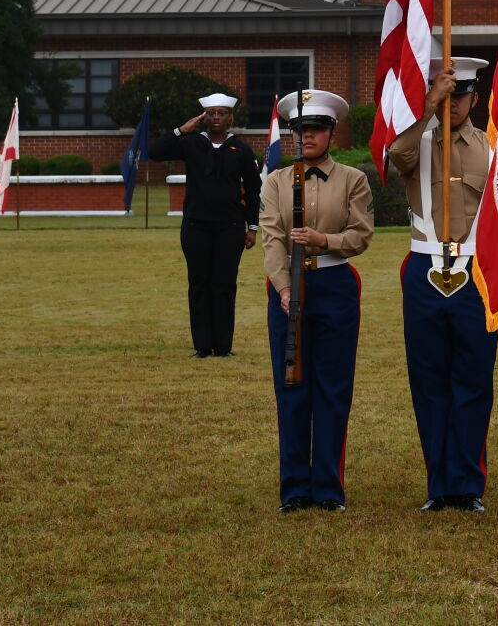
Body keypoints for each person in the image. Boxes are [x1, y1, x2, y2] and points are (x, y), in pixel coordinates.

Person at [387, 57, 496, 513]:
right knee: (429, 380)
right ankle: (438, 483)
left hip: (476, 274)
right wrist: (428, 107)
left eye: (461, 95)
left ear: (475, 97)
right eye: (446, 95)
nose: (454, 104)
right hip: (426, 269)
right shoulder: (419, 142)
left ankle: (467, 485)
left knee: (473, 380)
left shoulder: (491, 149)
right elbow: (396, 156)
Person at [261, 88, 373, 512]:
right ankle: (294, 488)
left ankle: (327, 487)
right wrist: (283, 288)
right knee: (291, 386)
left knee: (332, 387)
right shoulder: (276, 181)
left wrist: (323, 239)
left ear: (330, 132)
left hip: (334, 287)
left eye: (314, 129)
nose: (305, 137)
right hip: (287, 290)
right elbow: (271, 236)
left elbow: (361, 235)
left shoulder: (352, 179)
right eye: (299, 130)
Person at [149, 92, 261, 359]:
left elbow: (254, 191)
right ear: (204, 117)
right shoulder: (191, 144)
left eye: (222, 113)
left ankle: (223, 346)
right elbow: (154, 152)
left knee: (224, 285)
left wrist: (252, 227)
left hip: (230, 227)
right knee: (199, 284)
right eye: (211, 114)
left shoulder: (242, 150)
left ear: (230, 117)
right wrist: (180, 129)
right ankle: (202, 345)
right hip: (196, 226)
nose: (216, 118)